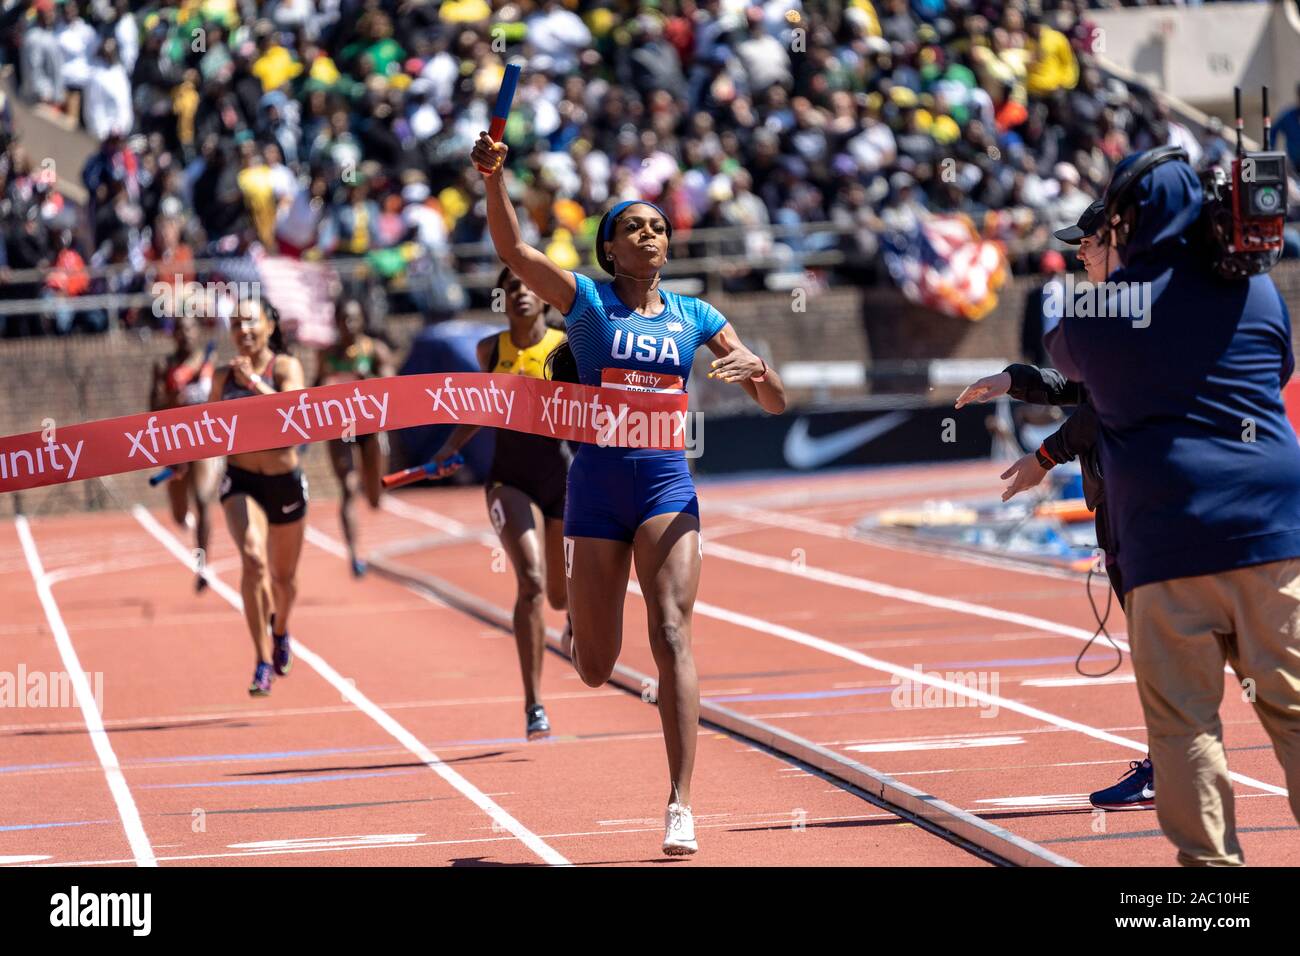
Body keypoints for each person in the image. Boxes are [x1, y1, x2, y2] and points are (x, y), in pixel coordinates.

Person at [471, 130, 787, 856]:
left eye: (659, 227)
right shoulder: (585, 305)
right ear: (610, 250)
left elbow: (773, 401)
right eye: (632, 228)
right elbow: (517, 256)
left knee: (672, 631)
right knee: (593, 669)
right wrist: (494, 180)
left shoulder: (697, 316)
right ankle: (582, 621)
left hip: (667, 487)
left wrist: (757, 369)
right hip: (596, 490)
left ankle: (680, 802)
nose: (649, 234)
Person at [1046, 147, 1300, 866]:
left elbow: (1064, 357)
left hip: (1164, 540)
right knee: (1294, 709)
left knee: (1186, 727)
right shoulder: (1256, 292)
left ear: (1128, 220)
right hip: (1272, 534)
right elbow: (1276, 367)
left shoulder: (1101, 306)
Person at [958, 198, 1155, 812]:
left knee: (1167, 641)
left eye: (1088, 243)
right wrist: (1014, 379)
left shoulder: (1137, 308)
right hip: (1132, 503)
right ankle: (1169, 762)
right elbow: (1084, 388)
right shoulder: (1127, 306)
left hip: (1146, 503)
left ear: (1117, 240)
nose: (1079, 254)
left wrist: (1042, 459)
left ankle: (1170, 766)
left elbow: (1102, 408)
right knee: (1164, 641)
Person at [429, 267, 571, 740]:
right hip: (510, 479)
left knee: (559, 594)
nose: (521, 294)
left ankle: (574, 616)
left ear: (546, 299)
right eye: (511, 288)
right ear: (502, 299)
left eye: (529, 287)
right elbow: (480, 406)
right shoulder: (490, 350)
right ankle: (534, 703)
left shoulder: (565, 346)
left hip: (565, 477)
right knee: (531, 581)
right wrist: (450, 448)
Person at [210, 296, 308, 696]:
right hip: (242, 479)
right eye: (235, 323)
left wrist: (253, 382)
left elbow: (295, 414)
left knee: (284, 581)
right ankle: (261, 659)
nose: (243, 330)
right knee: (253, 560)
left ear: (269, 325)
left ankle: (281, 628)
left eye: (250, 322)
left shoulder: (285, 367)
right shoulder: (222, 377)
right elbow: (204, 428)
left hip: (283, 481)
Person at [314, 296, 395, 577]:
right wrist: (323, 387)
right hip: (341, 429)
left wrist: (368, 380)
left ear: (362, 320)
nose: (348, 324)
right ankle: (353, 553)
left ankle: (372, 492)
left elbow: (392, 386)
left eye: (353, 318)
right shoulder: (327, 355)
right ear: (336, 322)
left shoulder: (374, 350)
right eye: (343, 319)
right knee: (348, 487)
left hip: (370, 428)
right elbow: (314, 389)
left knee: (374, 496)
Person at [150, 313, 220, 594]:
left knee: (203, 499)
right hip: (175, 444)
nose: (185, 334)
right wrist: (169, 399)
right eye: (179, 329)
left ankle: (202, 565)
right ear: (173, 334)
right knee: (180, 514)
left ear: (197, 332)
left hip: (205, 441)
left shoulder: (210, 361)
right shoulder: (164, 365)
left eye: (190, 329)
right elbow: (152, 410)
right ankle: (185, 520)